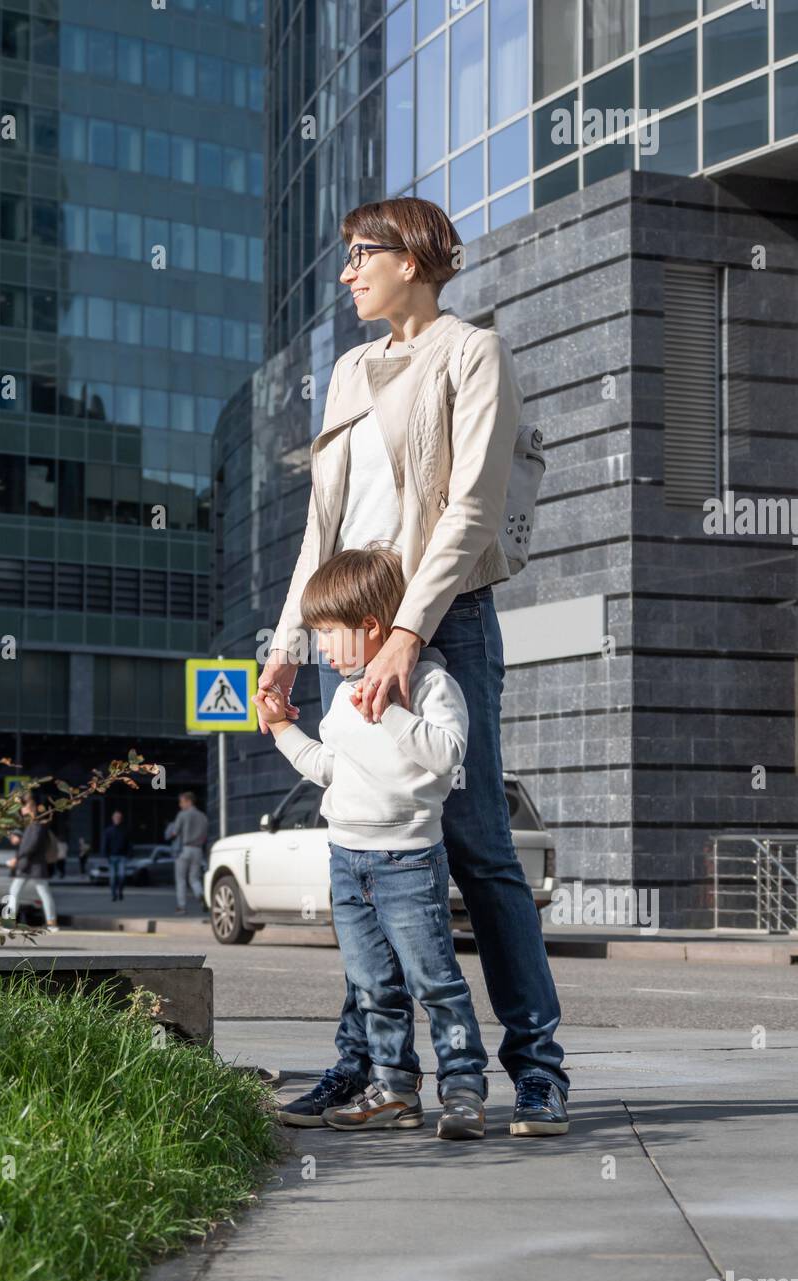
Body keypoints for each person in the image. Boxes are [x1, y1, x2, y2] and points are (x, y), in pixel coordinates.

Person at [255, 196, 569, 1138]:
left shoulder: (474, 353)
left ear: (416, 257)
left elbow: (469, 508)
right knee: (361, 850)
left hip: (442, 627)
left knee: (476, 849)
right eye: (347, 255)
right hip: (344, 633)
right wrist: (284, 648)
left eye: (361, 253)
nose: (347, 272)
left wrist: (408, 635)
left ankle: (538, 1072)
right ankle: (371, 1073)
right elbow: (322, 528)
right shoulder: (350, 368)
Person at [258, 546, 491, 1139]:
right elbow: (330, 768)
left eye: (329, 636)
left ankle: (463, 1088)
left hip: (408, 861)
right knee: (372, 985)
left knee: (434, 981)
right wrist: (284, 729)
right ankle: (392, 1089)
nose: (322, 651)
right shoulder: (340, 698)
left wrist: (385, 709)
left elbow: (445, 759)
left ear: (370, 628)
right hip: (347, 861)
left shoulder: (430, 682)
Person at [4, 797, 58, 932]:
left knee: (39, 893)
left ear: (32, 809)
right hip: (31, 866)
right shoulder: (33, 824)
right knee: (19, 892)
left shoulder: (37, 825)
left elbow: (30, 846)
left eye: (25, 808)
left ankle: (51, 923)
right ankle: (51, 922)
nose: (22, 810)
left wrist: (16, 859)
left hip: (32, 865)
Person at [164, 792, 208, 916]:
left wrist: (170, 835)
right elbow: (205, 836)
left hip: (184, 849)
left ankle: (181, 907)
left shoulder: (182, 815)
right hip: (198, 850)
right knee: (194, 878)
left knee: (181, 879)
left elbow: (175, 832)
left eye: (182, 802)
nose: (180, 804)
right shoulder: (203, 816)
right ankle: (201, 896)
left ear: (189, 801)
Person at [101, 810, 131, 902]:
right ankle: (114, 895)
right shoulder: (108, 830)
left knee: (122, 876)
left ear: (121, 819)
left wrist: (129, 854)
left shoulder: (125, 830)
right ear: (113, 818)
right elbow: (105, 843)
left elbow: (129, 843)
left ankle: (120, 892)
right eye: (116, 817)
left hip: (122, 857)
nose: (117, 819)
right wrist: (105, 855)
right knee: (113, 878)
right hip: (112, 857)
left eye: (119, 817)